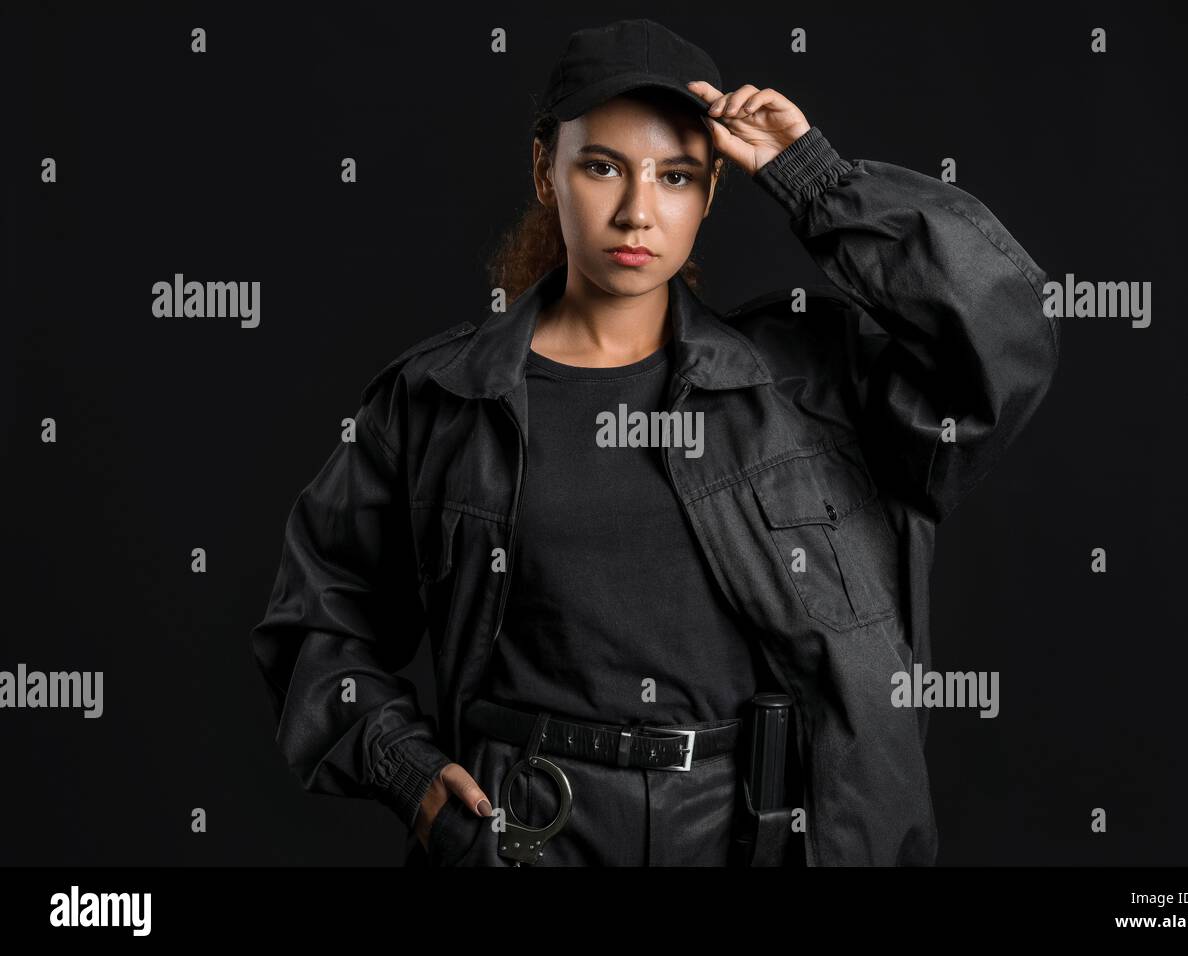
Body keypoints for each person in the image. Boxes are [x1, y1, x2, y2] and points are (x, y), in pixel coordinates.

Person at [250, 18, 1060, 867]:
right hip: (526, 836)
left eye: (676, 176)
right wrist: (408, 776)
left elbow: (1007, 333)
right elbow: (315, 620)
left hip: (751, 840)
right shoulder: (440, 401)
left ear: (711, 193)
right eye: (602, 166)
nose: (638, 210)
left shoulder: (810, 385)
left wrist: (813, 177)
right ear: (544, 169)